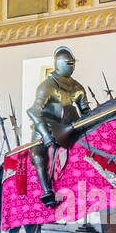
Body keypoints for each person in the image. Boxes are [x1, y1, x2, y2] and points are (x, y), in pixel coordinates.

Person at [27, 47, 89, 208]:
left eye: (73, 63)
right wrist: (46, 135)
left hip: (69, 129)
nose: (72, 66)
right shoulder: (47, 85)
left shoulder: (78, 87)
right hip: (46, 129)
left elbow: (86, 112)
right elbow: (34, 111)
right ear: (59, 64)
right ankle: (47, 191)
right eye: (68, 63)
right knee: (38, 156)